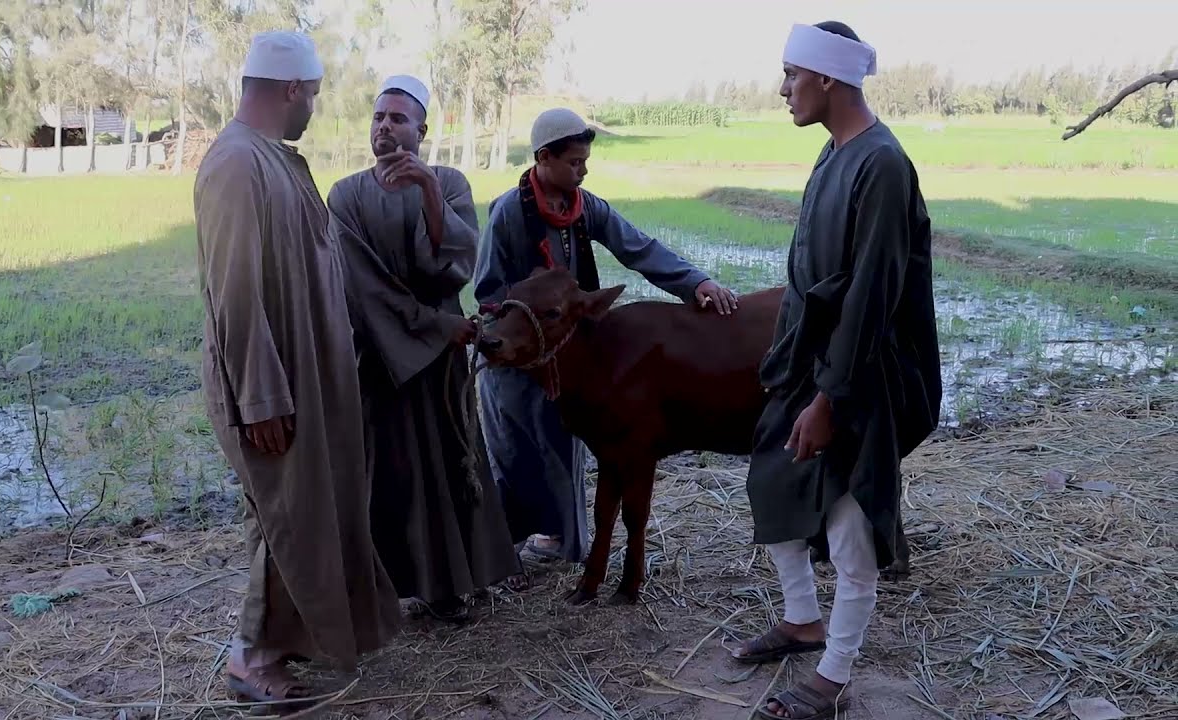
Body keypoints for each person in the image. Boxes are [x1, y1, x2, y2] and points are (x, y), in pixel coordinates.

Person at [730, 21, 942, 719]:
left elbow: (871, 295)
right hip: (812, 366)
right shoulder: (833, 153)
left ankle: (835, 675)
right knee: (774, 478)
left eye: (791, 72)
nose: (782, 87)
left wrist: (828, 399)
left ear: (827, 77)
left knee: (851, 524)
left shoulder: (881, 163)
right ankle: (801, 619)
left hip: (862, 374)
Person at [193, 31, 401, 704]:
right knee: (285, 513)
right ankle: (251, 662)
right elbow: (236, 290)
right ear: (290, 90)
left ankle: (278, 644)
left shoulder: (275, 160)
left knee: (296, 512)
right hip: (269, 387)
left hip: (301, 381)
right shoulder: (234, 163)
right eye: (312, 94)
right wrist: (258, 397)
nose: (314, 105)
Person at [473, 107, 738, 583]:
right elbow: (489, 289)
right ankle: (505, 553)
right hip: (518, 355)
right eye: (574, 162)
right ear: (543, 158)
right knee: (516, 448)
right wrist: (515, 336)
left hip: (567, 354)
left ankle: (563, 542)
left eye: (585, 161)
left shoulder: (584, 206)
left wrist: (694, 283)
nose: (583, 170)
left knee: (564, 448)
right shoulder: (509, 212)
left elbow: (637, 247)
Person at [326, 75, 521, 623]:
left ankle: (453, 583)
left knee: (449, 461)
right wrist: (433, 322)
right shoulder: (346, 195)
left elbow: (457, 262)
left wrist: (429, 192)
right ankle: (387, 588)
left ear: (421, 130)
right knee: (393, 470)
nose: (385, 127)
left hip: (444, 354)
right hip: (382, 352)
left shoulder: (450, 182)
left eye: (398, 119)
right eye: (378, 117)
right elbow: (362, 285)